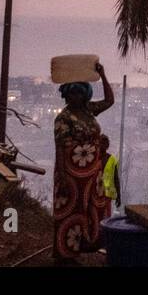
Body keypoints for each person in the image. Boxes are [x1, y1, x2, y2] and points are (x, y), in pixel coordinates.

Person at [52, 61, 114, 263]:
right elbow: (60, 147)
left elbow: (109, 100)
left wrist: (103, 75)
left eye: (79, 93)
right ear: (66, 95)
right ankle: (66, 254)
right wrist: (62, 174)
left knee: (92, 208)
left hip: (92, 172)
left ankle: (88, 244)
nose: (74, 97)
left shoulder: (88, 110)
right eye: (71, 93)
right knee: (71, 210)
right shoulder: (64, 118)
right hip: (71, 173)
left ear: (85, 94)